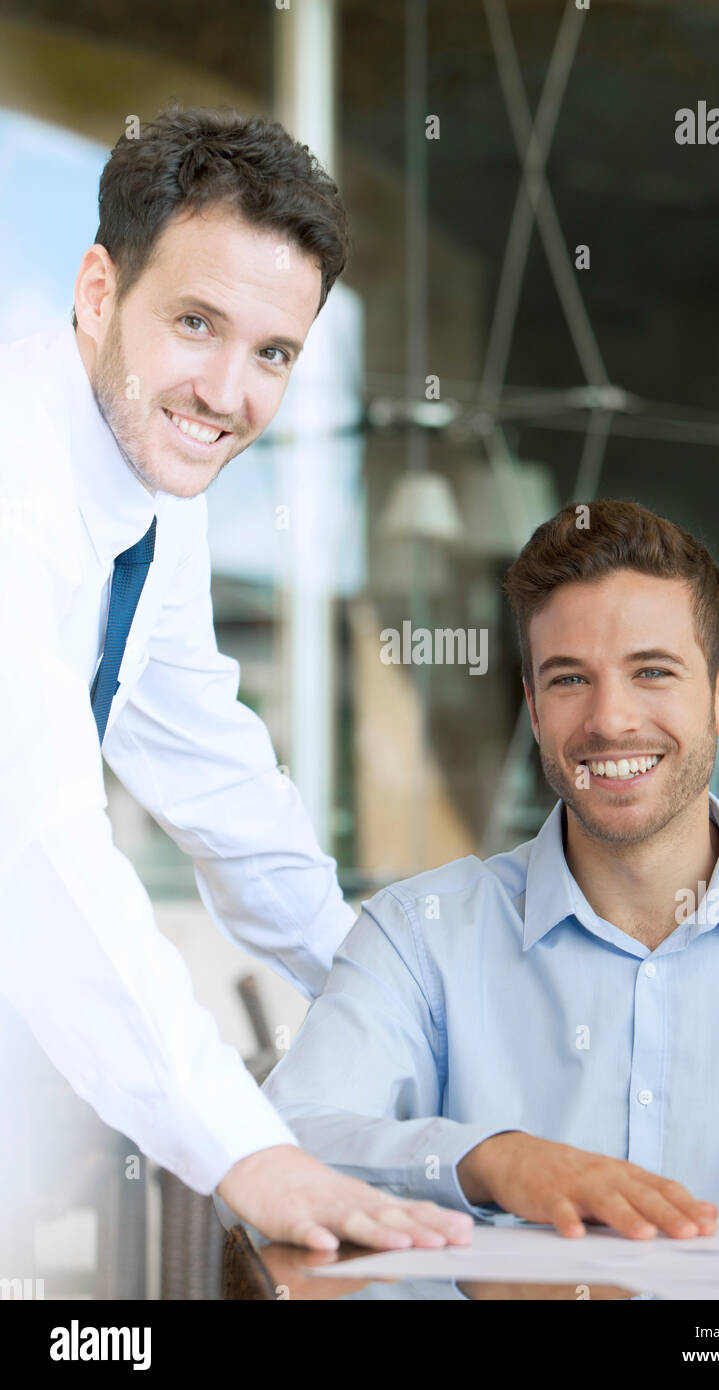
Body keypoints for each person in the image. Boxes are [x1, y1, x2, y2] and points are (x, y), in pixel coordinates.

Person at [0, 105, 472, 1256]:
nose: (227, 392)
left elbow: (213, 769)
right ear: (101, 292)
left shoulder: (150, 479)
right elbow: (35, 841)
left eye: (273, 354)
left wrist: (404, 998)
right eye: (196, 323)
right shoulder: (20, 479)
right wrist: (245, 1149)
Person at [248, 499, 719, 1241]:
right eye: (570, 679)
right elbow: (275, 1147)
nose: (610, 719)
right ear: (535, 711)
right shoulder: (420, 937)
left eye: (651, 671)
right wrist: (487, 1160)